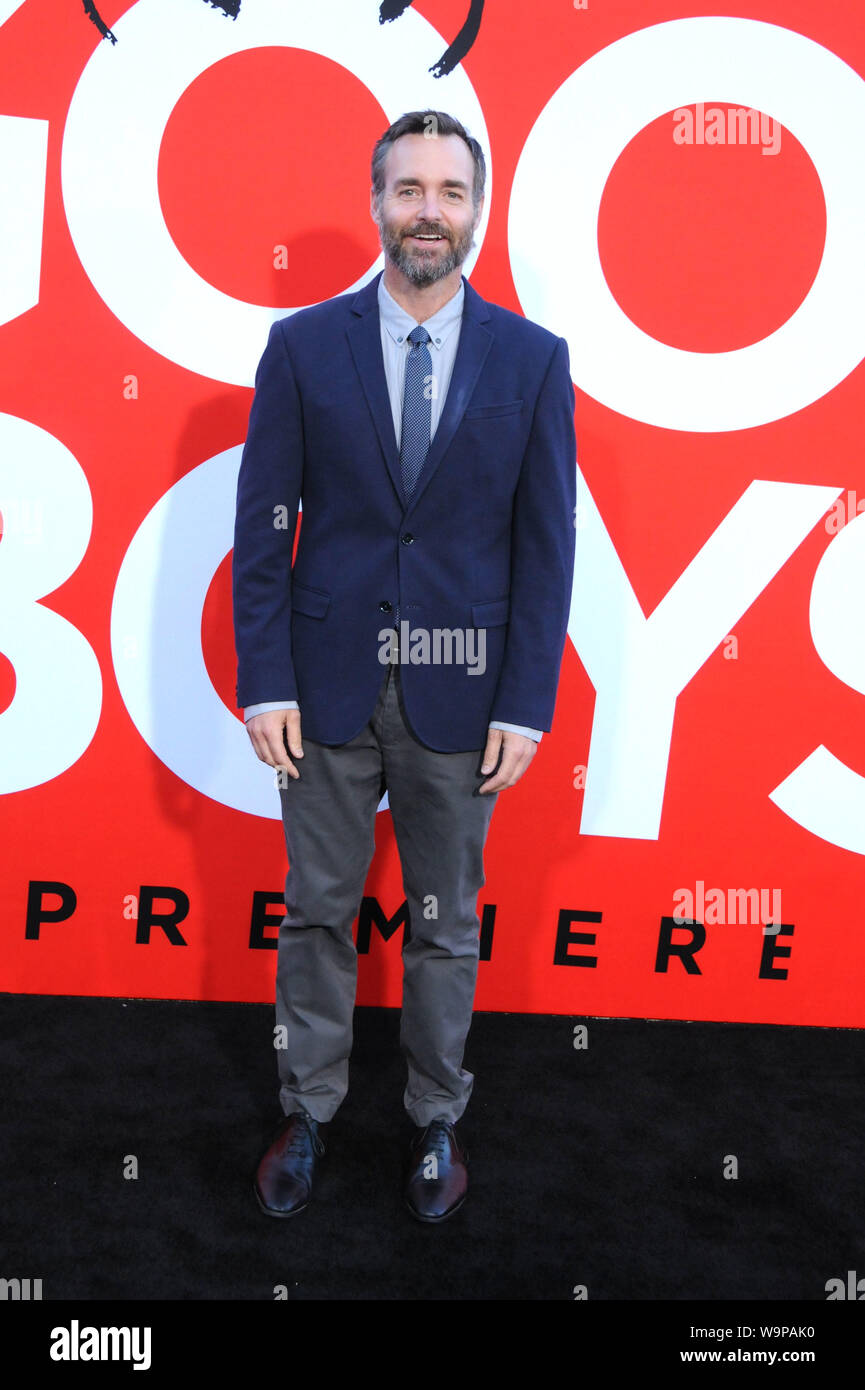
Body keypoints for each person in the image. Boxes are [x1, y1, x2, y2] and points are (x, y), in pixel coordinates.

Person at [232, 109, 576, 1223]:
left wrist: (526, 699)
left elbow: (544, 546)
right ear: (375, 201)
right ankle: (310, 1108)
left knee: (443, 919)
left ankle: (435, 1115)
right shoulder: (300, 346)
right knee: (317, 914)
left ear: (476, 209)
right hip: (323, 686)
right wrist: (266, 679)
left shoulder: (533, 360)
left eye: (450, 191)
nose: (428, 210)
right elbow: (264, 527)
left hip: (463, 693)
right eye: (408, 189)